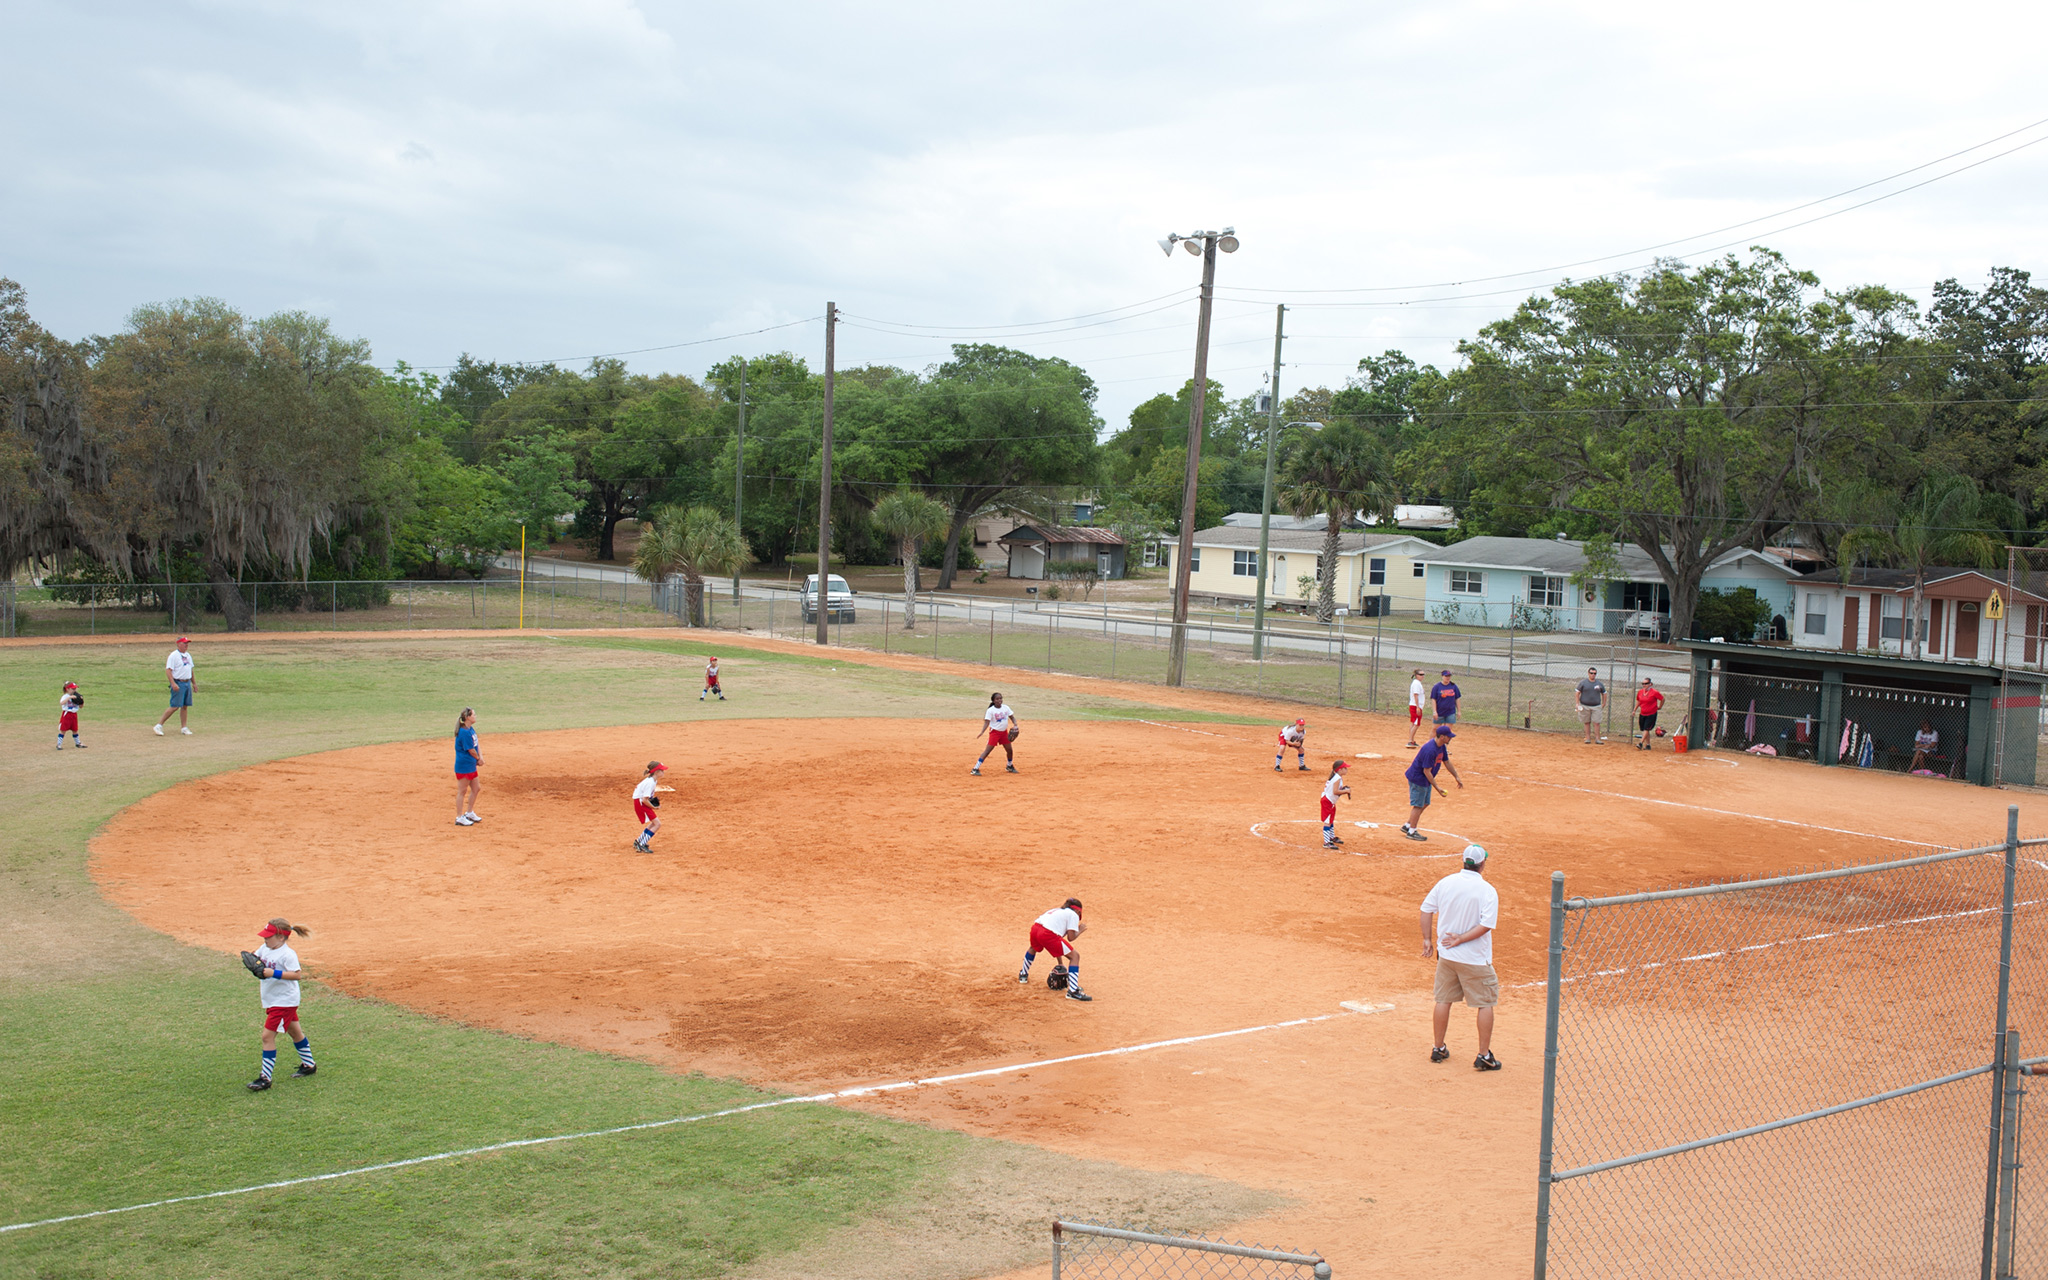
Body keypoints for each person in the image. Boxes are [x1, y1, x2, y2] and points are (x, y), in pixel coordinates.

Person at [1420, 845, 1501, 1071]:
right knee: (1485, 1004)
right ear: (1482, 864)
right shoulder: (1487, 890)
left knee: (1443, 999)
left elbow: (1426, 910)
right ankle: (1484, 1055)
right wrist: (1462, 939)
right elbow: (1486, 925)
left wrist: (1427, 940)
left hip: (1446, 956)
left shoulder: (1446, 882)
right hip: (1475, 959)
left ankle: (1438, 1048)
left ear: (1463, 861)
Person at [247, 918, 317, 1091]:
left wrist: (273, 973)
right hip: (273, 999)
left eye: (269, 936)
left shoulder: (288, 954)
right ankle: (309, 1065)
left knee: (267, 1037)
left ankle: (265, 1078)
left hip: (284, 1001)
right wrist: (252, 962)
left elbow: (297, 975)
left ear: (281, 938)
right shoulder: (265, 948)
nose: (265, 939)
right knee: (295, 1032)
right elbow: (256, 958)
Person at [1017, 897, 1092, 1002]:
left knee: (1033, 948)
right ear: (1078, 911)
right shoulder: (1073, 914)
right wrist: (1080, 930)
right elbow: (1071, 938)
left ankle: (1023, 975)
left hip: (1036, 928)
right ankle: (1073, 991)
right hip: (1047, 934)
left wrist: (1060, 963)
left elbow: (1056, 943)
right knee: (1075, 956)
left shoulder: (1057, 911)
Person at [1400, 725, 1463, 841]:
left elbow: (1447, 762)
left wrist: (1456, 776)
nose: (1450, 739)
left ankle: (1408, 825)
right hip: (1418, 778)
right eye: (1449, 737)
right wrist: (1437, 787)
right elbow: (1426, 771)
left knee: (1425, 803)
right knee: (1418, 805)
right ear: (1442, 737)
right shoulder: (1430, 750)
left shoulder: (1441, 746)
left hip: (1425, 779)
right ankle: (1412, 832)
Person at [154, 636, 194, 736]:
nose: (186, 645)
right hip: (178, 682)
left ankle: (184, 727)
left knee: (185, 706)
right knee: (175, 706)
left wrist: (194, 683)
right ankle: (159, 725)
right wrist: (173, 683)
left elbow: (190, 669)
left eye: (187, 643)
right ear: (178, 644)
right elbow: (168, 670)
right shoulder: (173, 656)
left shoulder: (188, 655)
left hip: (187, 682)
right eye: (184, 643)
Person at [973, 692, 1020, 775]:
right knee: (987, 751)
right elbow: (987, 722)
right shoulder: (990, 710)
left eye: (1000, 698)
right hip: (995, 733)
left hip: (1004, 733)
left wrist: (1015, 725)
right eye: (997, 699)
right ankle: (975, 768)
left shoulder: (1006, 708)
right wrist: (982, 732)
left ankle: (1009, 766)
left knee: (1009, 750)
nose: (999, 700)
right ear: (993, 701)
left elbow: (1012, 717)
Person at [632, 761, 669, 852]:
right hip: (641, 803)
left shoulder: (651, 780)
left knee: (654, 823)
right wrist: (653, 807)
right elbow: (645, 799)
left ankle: (639, 841)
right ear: (656, 772)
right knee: (657, 824)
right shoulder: (650, 783)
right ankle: (641, 844)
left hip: (640, 802)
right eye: (662, 770)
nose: (663, 772)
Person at [454, 708, 483, 826]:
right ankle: (459, 817)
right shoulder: (464, 732)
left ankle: (469, 812)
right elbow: (471, 749)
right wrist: (478, 759)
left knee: (476, 788)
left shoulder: (470, 729)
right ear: (468, 717)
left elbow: (476, 744)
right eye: (474, 715)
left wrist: (480, 756)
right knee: (462, 791)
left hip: (471, 765)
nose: (475, 716)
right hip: (464, 765)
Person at [1320, 760, 1352, 849]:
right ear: (1340, 769)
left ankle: (1331, 837)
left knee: (1331, 818)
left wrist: (1344, 788)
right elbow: (1335, 792)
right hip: (1328, 801)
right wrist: (1345, 791)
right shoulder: (1337, 778)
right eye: (1345, 768)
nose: (1347, 770)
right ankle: (1326, 842)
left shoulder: (1337, 777)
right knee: (1327, 821)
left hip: (1330, 801)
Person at [1575, 667, 1606, 744]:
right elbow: (1577, 692)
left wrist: (1604, 703)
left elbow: (1604, 693)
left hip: (1596, 706)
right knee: (1587, 722)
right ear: (1588, 673)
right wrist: (1577, 703)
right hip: (1585, 705)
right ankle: (1588, 738)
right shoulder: (1583, 683)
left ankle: (1597, 739)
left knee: (1596, 722)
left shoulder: (1599, 684)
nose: (1593, 675)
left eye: (1594, 673)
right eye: (1591, 673)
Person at [1634, 677, 1665, 749]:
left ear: (1650, 684)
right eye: (1643, 684)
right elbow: (1639, 701)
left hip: (1651, 713)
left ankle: (1641, 743)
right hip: (1643, 713)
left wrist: (1660, 706)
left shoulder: (1654, 692)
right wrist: (1634, 710)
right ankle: (1648, 745)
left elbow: (1662, 699)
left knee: (1646, 729)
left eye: (1646, 683)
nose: (1644, 685)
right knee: (1644, 729)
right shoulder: (1640, 692)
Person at [57, 681, 86, 750]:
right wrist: (69, 697)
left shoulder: (76, 696)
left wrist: (81, 701)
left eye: (75, 689)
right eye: (73, 689)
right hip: (67, 714)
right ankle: (59, 744)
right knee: (63, 730)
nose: (74, 690)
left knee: (75, 730)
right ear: (67, 689)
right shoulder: (65, 696)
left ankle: (78, 743)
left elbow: (81, 707)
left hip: (74, 714)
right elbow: (62, 703)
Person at [1406, 669, 1427, 747]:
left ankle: (1411, 740)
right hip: (1415, 706)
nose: (1422, 676)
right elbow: (1416, 695)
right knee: (1416, 724)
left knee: (1413, 722)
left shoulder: (1417, 683)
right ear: (1416, 675)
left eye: (1423, 674)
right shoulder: (1416, 684)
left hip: (1414, 705)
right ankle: (1410, 741)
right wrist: (1418, 707)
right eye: (1421, 675)